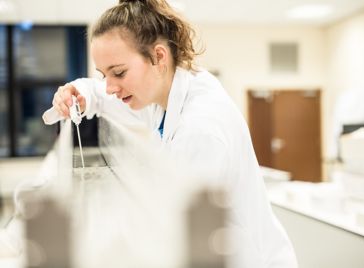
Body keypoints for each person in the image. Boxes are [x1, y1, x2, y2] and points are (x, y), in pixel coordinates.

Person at [51, 0, 297, 266]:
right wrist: (80, 92)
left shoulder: (200, 129)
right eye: (103, 75)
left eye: (118, 72)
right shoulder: (163, 92)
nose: (109, 87)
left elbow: (179, 233)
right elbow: (102, 95)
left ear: (158, 56)